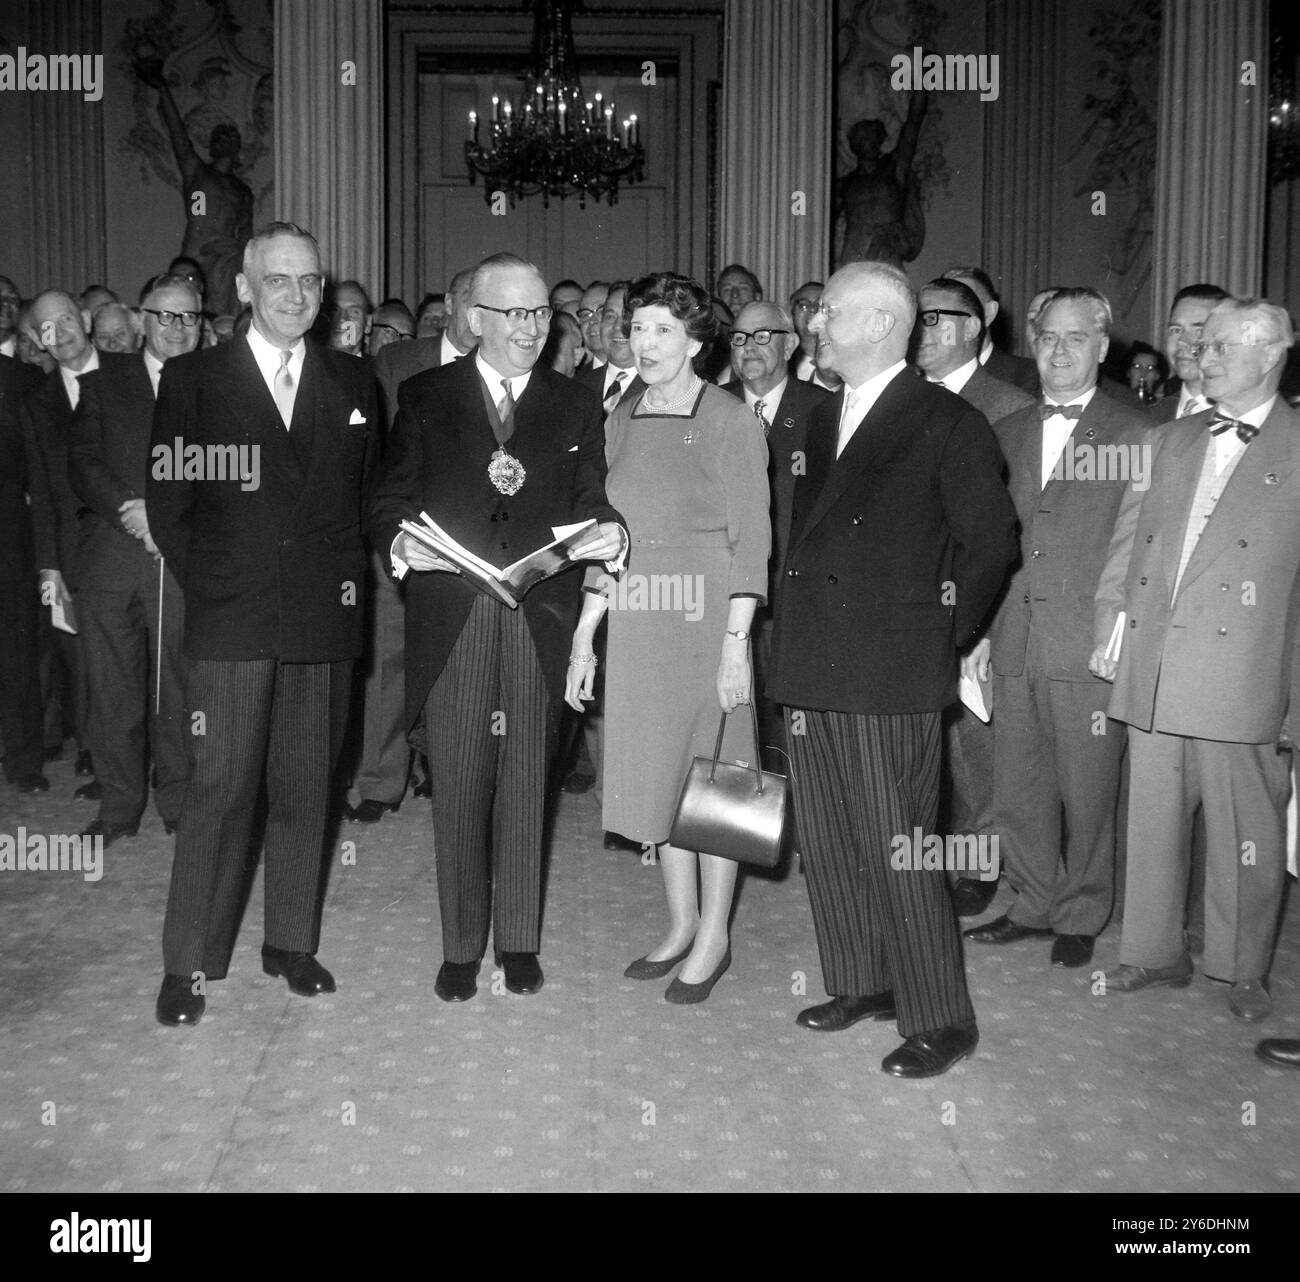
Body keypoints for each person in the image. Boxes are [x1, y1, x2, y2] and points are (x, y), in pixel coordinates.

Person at [767, 261, 1017, 1077]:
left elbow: (990, 547)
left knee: (903, 844)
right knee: (833, 841)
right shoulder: (817, 419)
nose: (815, 326)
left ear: (879, 323)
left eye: (829, 313)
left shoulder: (948, 423)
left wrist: (940, 635)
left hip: (892, 670)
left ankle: (942, 1017)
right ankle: (863, 982)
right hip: (815, 662)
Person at [369, 251, 625, 1004]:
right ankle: (459, 945)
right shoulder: (422, 395)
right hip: (455, 613)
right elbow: (388, 499)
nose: (532, 327)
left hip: (541, 613)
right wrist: (398, 542)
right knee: (458, 780)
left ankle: (517, 940)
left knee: (526, 782)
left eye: (543, 313)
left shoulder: (575, 404)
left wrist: (610, 532)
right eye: (515, 313)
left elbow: (593, 497)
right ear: (475, 318)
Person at [147, 221, 378, 1027]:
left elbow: (365, 502)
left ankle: (290, 940)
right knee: (219, 790)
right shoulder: (197, 380)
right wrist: (218, 586)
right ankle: (189, 963)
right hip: (234, 618)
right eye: (278, 280)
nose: (296, 295)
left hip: (323, 619)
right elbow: (172, 507)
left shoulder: (353, 382)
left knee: (305, 789)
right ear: (243, 289)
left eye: (310, 281)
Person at [1091, 298, 1299, 1022]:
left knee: (1246, 831)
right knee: (1150, 819)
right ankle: (1152, 952)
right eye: (1201, 347)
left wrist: (1295, 706)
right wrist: (1110, 632)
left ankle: (1240, 967)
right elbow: (1129, 546)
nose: (1201, 360)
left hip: (1246, 676)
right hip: (1155, 664)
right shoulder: (1169, 440)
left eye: (1219, 349)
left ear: (1272, 353)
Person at [566, 271, 770, 1003]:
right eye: (638, 327)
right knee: (660, 780)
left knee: (714, 784)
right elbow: (608, 535)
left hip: (709, 617)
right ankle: (680, 923)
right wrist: (588, 633)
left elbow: (753, 544)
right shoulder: (620, 412)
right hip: (642, 617)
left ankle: (714, 936)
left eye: (662, 330)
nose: (645, 343)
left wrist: (735, 646)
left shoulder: (729, 420)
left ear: (695, 339)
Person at [963, 288, 1152, 969]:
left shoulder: (1133, 434)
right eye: (1048, 338)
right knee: (1019, 783)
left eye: (1077, 338)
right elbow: (993, 545)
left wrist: (1116, 632)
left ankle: (1081, 909)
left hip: (1086, 643)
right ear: (1033, 344)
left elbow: (1137, 550)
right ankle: (1031, 899)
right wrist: (980, 634)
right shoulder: (1007, 432)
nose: (1061, 351)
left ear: (1104, 347)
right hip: (1014, 635)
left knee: (1090, 786)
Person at [912, 276, 1034, 918]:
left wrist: (982, 624)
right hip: (908, 598)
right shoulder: (901, 398)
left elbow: (1010, 528)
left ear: (967, 327)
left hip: (974, 599)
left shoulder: (1010, 407)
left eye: (930, 319)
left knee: (972, 741)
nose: (918, 332)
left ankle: (977, 860)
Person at [69, 273, 199, 848]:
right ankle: (119, 806)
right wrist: (132, 510)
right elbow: (83, 459)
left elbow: (233, 462)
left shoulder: (216, 384)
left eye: (189, 317)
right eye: (166, 316)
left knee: (178, 690)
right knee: (115, 690)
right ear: (143, 319)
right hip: (113, 559)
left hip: (180, 563)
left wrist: (165, 516)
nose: (177, 328)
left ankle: (179, 801)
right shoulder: (106, 380)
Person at [21, 289, 100, 786]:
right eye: (47, 328)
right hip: (75, 551)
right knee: (86, 663)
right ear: (38, 340)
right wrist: (50, 568)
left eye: (67, 319)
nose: (61, 332)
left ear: (86, 319)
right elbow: (44, 491)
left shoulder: (129, 373)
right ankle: (98, 755)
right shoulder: (37, 402)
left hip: (137, 539)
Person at [0, 353, 47, 794]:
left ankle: (23, 758)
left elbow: (37, 460)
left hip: (8, 536)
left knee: (15, 656)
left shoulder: (20, 379)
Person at [834, 94, 927, 269]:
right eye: (862, 138)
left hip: (887, 250)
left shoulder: (894, 168)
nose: (867, 141)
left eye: (871, 136)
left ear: (880, 139)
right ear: (853, 145)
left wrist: (924, 82)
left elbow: (913, 123)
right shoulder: (846, 183)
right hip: (854, 251)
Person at [944, 265, 1040, 394]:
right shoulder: (924, 377)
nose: (952, 315)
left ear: (989, 313)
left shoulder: (1028, 377)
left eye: (964, 304)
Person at [1151, 283, 1231, 422]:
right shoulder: (1147, 417)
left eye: (1199, 331)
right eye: (1176, 330)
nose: (1182, 341)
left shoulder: (1245, 421)